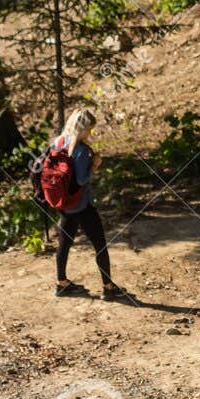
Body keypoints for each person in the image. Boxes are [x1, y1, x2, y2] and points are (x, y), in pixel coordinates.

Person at [50, 109, 133, 303]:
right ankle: (108, 288)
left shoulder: (57, 143)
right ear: (83, 129)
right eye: (89, 129)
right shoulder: (81, 151)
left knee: (64, 243)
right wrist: (94, 166)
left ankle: (61, 283)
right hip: (82, 206)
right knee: (100, 245)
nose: (90, 134)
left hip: (64, 205)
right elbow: (81, 180)